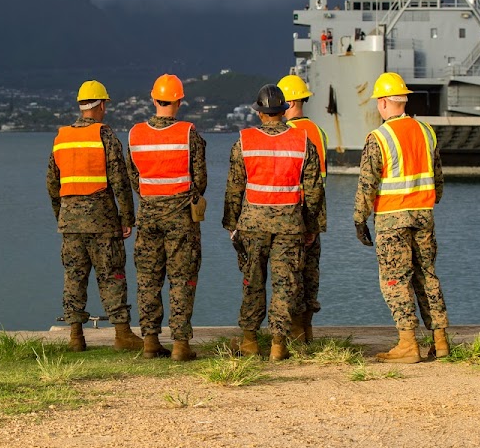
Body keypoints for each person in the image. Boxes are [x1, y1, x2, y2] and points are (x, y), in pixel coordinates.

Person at [222, 85, 324, 360]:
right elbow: (314, 191)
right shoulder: (303, 142)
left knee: (252, 282)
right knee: (285, 285)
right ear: (284, 110)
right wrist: (312, 227)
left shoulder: (244, 141)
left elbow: (234, 188)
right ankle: (279, 344)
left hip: (252, 225)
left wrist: (231, 224)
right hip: (290, 226)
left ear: (260, 113)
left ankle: (250, 341)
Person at [354, 72, 450, 364]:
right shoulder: (426, 131)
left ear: (383, 103)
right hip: (424, 215)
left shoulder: (379, 137)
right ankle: (441, 340)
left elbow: (367, 183)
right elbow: (438, 180)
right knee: (427, 275)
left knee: (395, 280)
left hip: (391, 220)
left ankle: (408, 343)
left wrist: (360, 218)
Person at [46, 80, 145, 352]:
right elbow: (120, 181)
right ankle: (122, 334)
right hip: (103, 222)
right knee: (112, 275)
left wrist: (62, 215)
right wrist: (127, 218)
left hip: (70, 223)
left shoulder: (61, 138)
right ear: (101, 105)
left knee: (74, 277)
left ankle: (76, 337)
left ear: (80, 105)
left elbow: (52, 184)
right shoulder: (105, 136)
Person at [126, 74, 207, 361]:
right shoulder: (188, 133)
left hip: (147, 215)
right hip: (181, 216)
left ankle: (150, 341)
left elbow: (134, 177)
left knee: (148, 278)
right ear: (179, 101)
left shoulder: (135, 134)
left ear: (153, 98)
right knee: (182, 279)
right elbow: (200, 180)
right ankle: (180, 345)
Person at [277, 74, 328, 342]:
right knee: (311, 271)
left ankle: (295, 332)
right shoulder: (319, 131)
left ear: (289, 101)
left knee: (291, 272)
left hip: (294, 213)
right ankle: (307, 330)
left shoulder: (291, 133)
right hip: (317, 212)